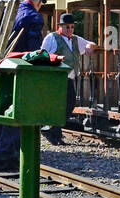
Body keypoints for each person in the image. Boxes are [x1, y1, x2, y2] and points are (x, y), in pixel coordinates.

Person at [0, 0, 48, 169]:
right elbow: (34, 50)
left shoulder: (11, 13)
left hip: (3, 66)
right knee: (20, 111)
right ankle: (7, 153)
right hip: (21, 70)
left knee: (4, 109)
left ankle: (4, 150)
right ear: (38, 2)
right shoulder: (34, 17)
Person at [40, 13, 97, 145]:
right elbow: (42, 55)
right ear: (60, 27)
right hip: (55, 78)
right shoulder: (52, 38)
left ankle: (53, 131)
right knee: (56, 106)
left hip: (69, 78)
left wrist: (89, 46)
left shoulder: (76, 39)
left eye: (72, 27)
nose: (70, 29)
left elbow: (91, 43)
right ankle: (53, 133)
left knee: (69, 105)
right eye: (67, 27)